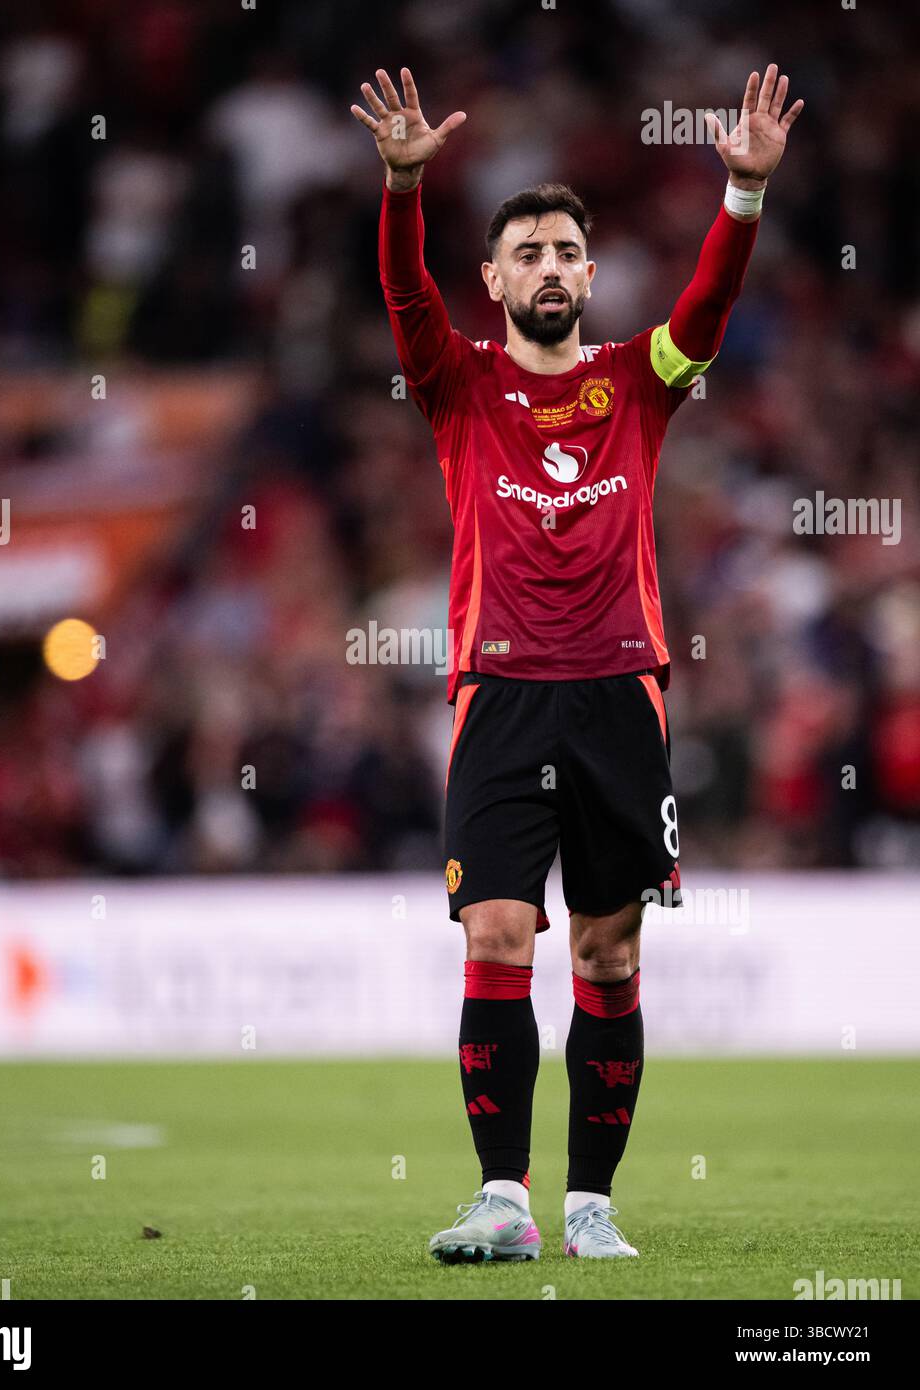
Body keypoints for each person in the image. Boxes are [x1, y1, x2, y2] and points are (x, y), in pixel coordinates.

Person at [351, 64, 802, 1262]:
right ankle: (503, 1198)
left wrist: (740, 197)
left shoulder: (637, 382)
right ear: (492, 281)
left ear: (588, 278)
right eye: (526, 253)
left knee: (607, 950)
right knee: (495, 929)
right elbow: (399, 290)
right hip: (498, 689)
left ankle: (590, 1204)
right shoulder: (457, 385)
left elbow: (702, 315)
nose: (549, 267)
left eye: (566, 251)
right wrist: (403, 186)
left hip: (618, 691)